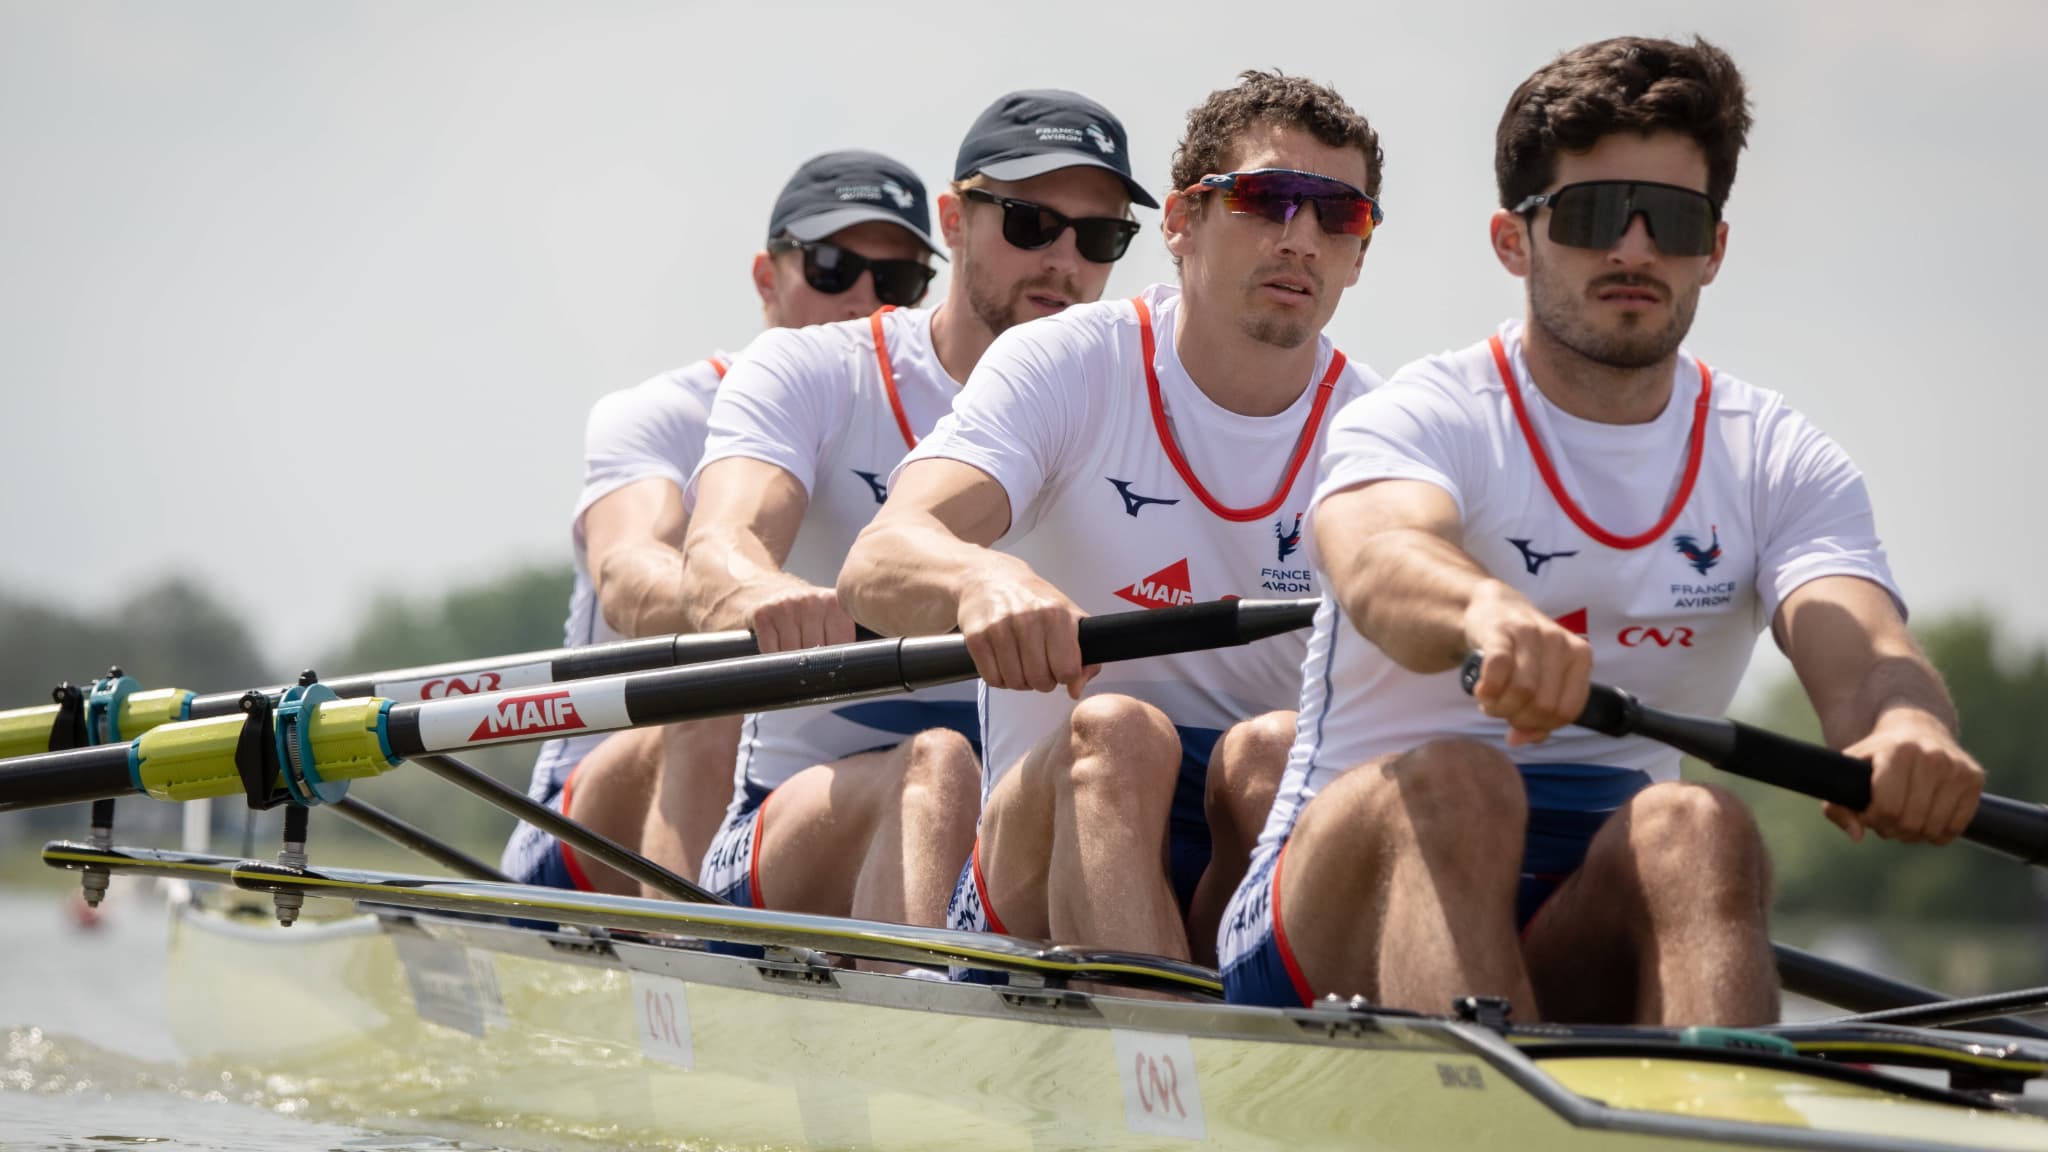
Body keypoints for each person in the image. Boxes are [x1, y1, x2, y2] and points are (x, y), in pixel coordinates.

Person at [1219, 36, 1984, 1025]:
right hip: (1325, 919)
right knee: (1463, 783)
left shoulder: (1775, 456)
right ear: (1512, 241)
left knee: (1698, 825)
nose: (1631, 250)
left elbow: (1864, 649)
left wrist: (1905, 726)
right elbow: (1376, 558)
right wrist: (1486, 609)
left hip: (1580, 911)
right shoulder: (1423, 415)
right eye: (1588, 217)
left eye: (1668, 222)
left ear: (1711, 247)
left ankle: (1720, 1120)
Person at [839, 71, 1384, 965]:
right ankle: (1161, 1070)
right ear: (1179, 222)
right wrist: (986, 577)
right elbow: (881, 557)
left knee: (1278, 753)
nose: (1300, 238)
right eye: (1263, 199)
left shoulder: (1378, 431)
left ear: (1359, 253)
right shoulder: (1064, 365)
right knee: (1120, 731)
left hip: (1255, 830)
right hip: (1045, 837)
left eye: (1338, 214)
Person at [684, 90, 1154, 927]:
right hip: (798, 821)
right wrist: (758, 593)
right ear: (953, 219)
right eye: (1029, 223)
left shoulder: (1133, 397)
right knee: (938, 765)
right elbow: (721, 545)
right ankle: (928, 1012)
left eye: (1098, 235)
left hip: (1017, 830)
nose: (1064, 261)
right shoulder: (811, 371)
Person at [502, 150, 944, 896]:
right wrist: (743, 596)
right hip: (589, 821)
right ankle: (689, 978)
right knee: (720, 679)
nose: (866, 299)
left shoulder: (951, 428)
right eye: (834, 266)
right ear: (767, 278)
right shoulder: (663, 413)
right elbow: (628, 574)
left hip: (801, 786)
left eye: (897, 282)